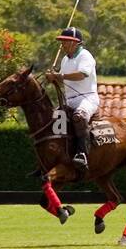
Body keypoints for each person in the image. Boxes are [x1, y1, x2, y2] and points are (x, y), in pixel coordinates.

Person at [45, 26, 99, 171]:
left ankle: (82, 154)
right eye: (62, 42)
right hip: (70, 100)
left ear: (75, 43)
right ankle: (58, 152)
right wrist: (53, 78)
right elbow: (62, 79)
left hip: (87, 98)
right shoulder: (64, 60)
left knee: (78, 117)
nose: (62, 45)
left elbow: (82, 74)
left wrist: (60, 76)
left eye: (65, 41)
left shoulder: (85, 56)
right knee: (56, 118)